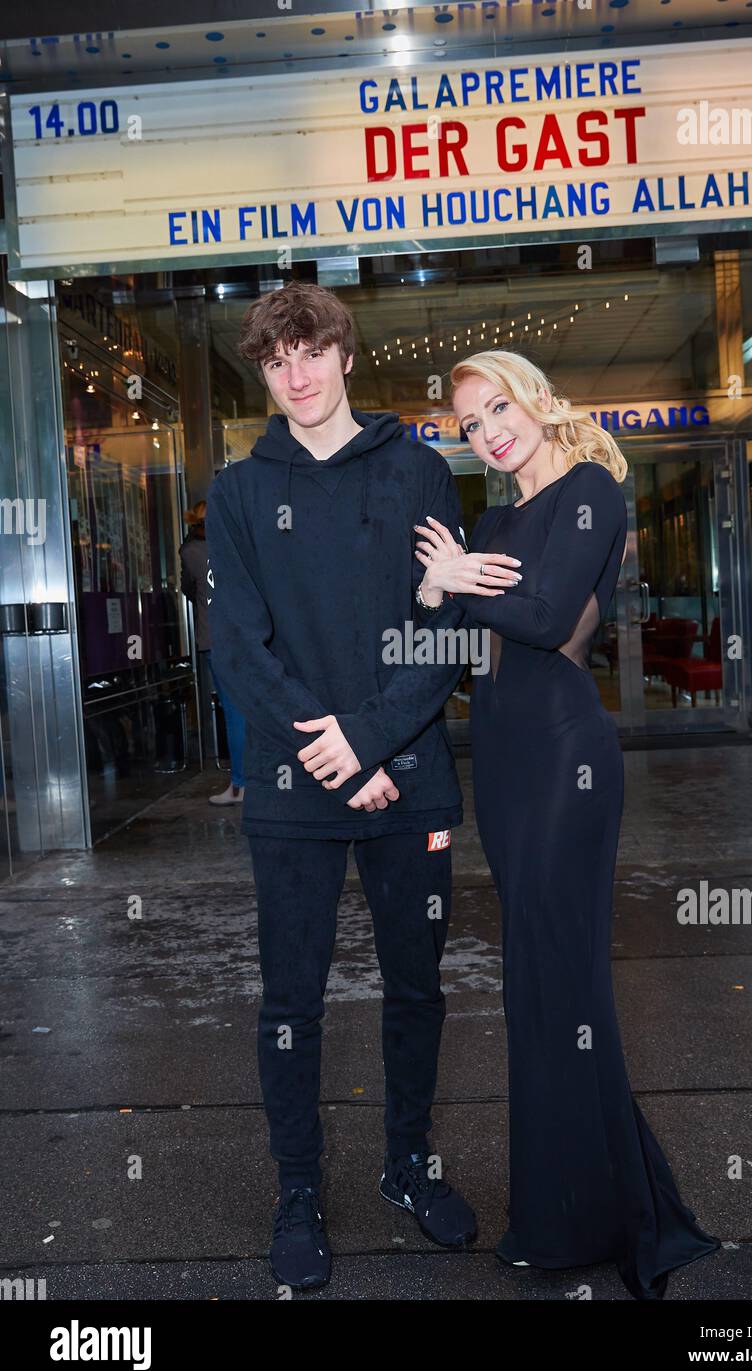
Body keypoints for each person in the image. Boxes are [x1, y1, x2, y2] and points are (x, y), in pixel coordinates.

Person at [204, 284, 517, 1292]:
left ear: (344, 354)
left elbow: (447, 631)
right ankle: (298, 1189)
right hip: (296, 789)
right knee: (290, 999)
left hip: (410, 780)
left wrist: (373, 742)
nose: (294, 376)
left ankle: (407, 1167)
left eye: (309, 353)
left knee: (417, 989)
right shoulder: (243, 492)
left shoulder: (422, 472)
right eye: (275, 362)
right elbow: (239, 650)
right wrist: (329, 752)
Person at [412, 349, 722, 1299]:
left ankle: (607, 1217)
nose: (488, 431)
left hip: (564, 759)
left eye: (496, 407)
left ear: (534, 398)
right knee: (537, 991)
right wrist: (443, 590)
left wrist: (454, 578)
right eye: (469, 424)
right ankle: (564, 1209)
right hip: (502, 761)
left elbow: (547, 621)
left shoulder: (591, 489)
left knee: (568, 986)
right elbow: (455, 635)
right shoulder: (499, 515)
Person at [180, 499, 248, 804]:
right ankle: (259, 783)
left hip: (216, 640)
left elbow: (189, 590)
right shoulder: (238, 544)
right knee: (250, 712)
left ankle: (240, 785)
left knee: (234, 713)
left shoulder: (192, 551)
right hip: (247, 638)